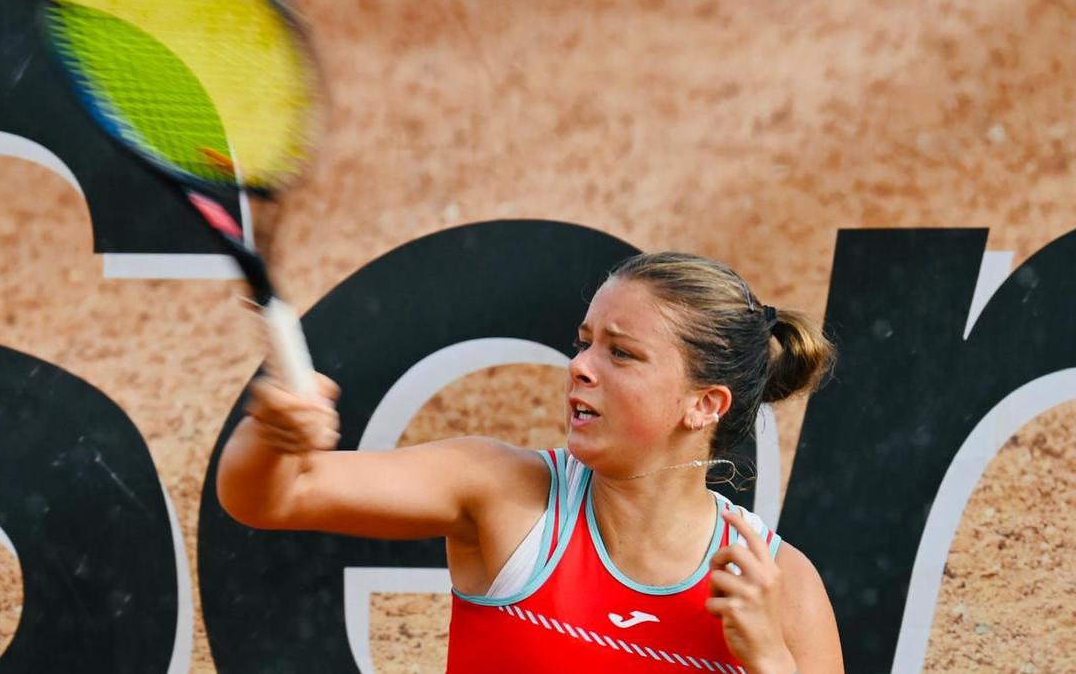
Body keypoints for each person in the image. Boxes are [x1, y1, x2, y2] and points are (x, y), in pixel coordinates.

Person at [217, 251, 846, 673]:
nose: (580, 366)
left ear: (704, 404)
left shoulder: (784, 586)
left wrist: (770, 660)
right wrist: (274, 437)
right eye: (583, 343)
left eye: (621, 354)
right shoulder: (498, 491)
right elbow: (273, 496)